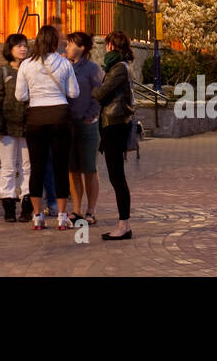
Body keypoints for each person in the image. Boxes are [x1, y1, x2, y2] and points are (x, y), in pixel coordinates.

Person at [15, 24, 79, 230]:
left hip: (36, 118)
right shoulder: (64, 63)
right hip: (60, 117)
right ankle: (61, 216)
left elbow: (20, 95)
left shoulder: (26, 65)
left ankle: (37, 216)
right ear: (54, 42)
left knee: (37, 168)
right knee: (61, 167)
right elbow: (73, 92)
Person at [92, 30, 136, 241]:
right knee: (116, 176)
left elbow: (101, 94)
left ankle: (123, 225)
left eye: (107, 44)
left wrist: (92, 88)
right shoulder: (119, 66)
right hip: (114, 124)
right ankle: (123, 224)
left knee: (117, 177)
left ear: (111, 46)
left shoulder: (119, 68)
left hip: (115, 125)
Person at [0, 33, 31, 223]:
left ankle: (27, 204)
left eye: (24, 45)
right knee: (8, 167)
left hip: (28, 126)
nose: (22, 49)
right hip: (6, 126)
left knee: (28, 167)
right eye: (18, 46)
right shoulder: (2, 72)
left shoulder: (31, 70)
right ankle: (8, 205)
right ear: (9, 49)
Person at [65, 31, 104, 224]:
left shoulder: (92, 69)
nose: (66, 48)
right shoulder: (65, 67)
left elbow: (99, 94)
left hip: (87, 124)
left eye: (70, 44)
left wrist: (90, 116)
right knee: (73, 169)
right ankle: (77, 209)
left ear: (81, 47)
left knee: (89, 168)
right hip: (69, 124)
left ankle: (91, 210)